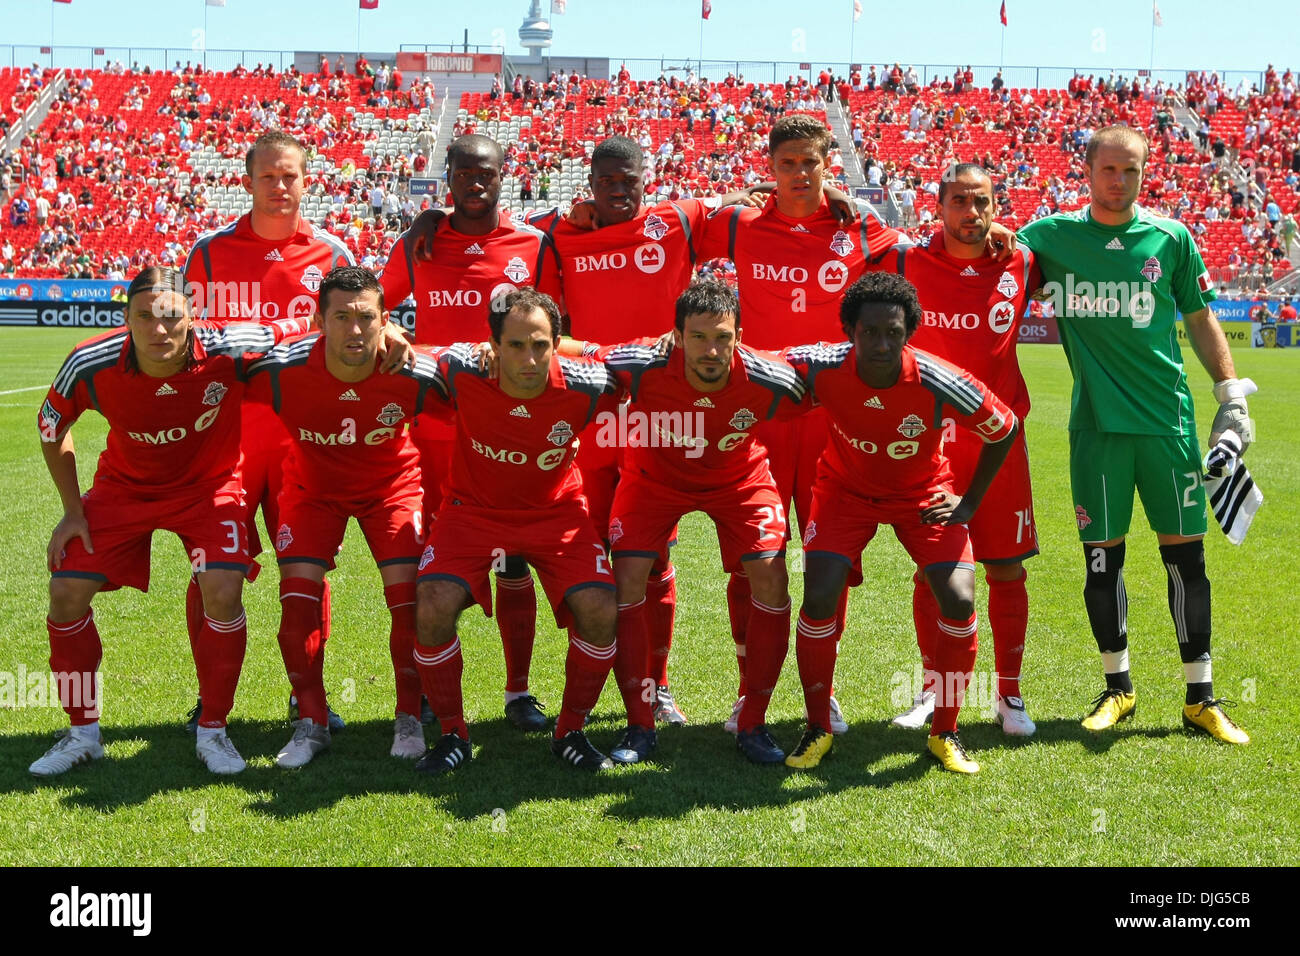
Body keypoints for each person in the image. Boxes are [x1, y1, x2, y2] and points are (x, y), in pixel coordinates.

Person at [1017, 125, 1253, 744]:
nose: (1119, 182)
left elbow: (1200, 320)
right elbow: (982, 255)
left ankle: (1200, 697)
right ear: (1087, 171)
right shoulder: (1049, 238)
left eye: (1131, 171)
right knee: (1103, 561)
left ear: (1145, 173)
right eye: (1109, 171)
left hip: (1167, 424)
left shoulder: (1171, 238)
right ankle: (1117, 687)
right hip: (1095, 427)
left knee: (1186, 559)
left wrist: (1229, 395)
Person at [31, 267, 307, 778]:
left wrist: (387, 333)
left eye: (172, 318)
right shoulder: (89, 361)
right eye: (145, 318)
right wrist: (72, 510)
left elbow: (306, 329)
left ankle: (214, 730)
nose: (159, 331)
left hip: (209, 489)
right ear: (127, 320)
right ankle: (82, 734)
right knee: (66, 592)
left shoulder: (232, 347)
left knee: (223, 588)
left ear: (192, 317)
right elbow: (51, 425)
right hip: (124, 489)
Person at [183, 130, 386, 734]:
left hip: (304, 439)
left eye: (289, 176)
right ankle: (209, 697)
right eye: (268, 176)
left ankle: (309, 700)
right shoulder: (210, 252)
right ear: (246, 181)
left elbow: (358, 338)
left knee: (306, 568)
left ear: (306, 180)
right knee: (213, 570)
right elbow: (189, 349)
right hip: (229, 439)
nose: (279, 186)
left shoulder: (332, 253)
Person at [782, 273, 1020, 773]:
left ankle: (946, 732)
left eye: (893, 332)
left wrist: (969, 503)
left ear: (908, 330)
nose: (881, 343)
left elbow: (1004, 427)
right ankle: (818, 725)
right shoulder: (821, 365)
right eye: (870, 332)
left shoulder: (938, 379)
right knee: (819, 594)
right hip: (844, 492)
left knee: (957, 600)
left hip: (921, 495)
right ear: (851, 330)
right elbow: (760, 369)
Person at [380, 134, 564, 733]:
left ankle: (517, 692)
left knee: (514, 560)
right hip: (437, 427)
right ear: (448, 178)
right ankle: (434, 694)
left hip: (516, 425)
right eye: (463, 173)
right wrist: (395, 336)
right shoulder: (420, 242)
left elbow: (558, 332)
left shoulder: (533, 246)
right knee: (442, 566)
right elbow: (373, 307)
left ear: (504, 174)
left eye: (485, 173)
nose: (475, 184)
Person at [581, 281, 808, 764]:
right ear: (677, 336)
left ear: (739, 337)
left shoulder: (769, 376)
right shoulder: (640, 363)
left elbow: (842, 381)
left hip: (738, 478)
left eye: (723, 338)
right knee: (626, 578)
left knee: (770, 573)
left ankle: (753, 722)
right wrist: (487, 347)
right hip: (653, 478)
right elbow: (571, 346)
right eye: (698, 337)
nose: (711, 350)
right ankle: (639, 724)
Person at [413, 288, 620, 774]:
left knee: (601, 606)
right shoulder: (464, 370)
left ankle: (570, 731)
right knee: (432, 602)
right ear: (494, 345)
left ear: (556, 343)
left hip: (555, 512)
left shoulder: (586, 382)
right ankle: (452, 734)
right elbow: (403, 346)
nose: (529, 359)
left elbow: (627, 356)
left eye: (541, 346)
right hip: (472, 511)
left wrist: (577, 348)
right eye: (516, 346)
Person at [244, 267, 443, 768]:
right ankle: (311, 721)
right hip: (313, 491)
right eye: (341, 318)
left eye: (366, 318)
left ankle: (409, 716)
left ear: (386, 320)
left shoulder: (414, 369)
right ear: (319, 320)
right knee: (296, 608)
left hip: (391, 488)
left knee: (408, 602)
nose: (355, 331)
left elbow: (486, 374)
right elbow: (207, 354)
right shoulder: (281, 368)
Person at [884, 163, 1041, 737]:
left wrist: (1017, 234)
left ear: (996, 206)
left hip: (999, 441)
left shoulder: (1022, 260)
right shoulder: (904, 261)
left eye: (981, 203)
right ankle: (934, 691)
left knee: (1005, 567)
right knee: (937, 570)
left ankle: (1009, 695)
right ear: (939, 205)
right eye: (958, 202)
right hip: (932, 442)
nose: (970, 214)